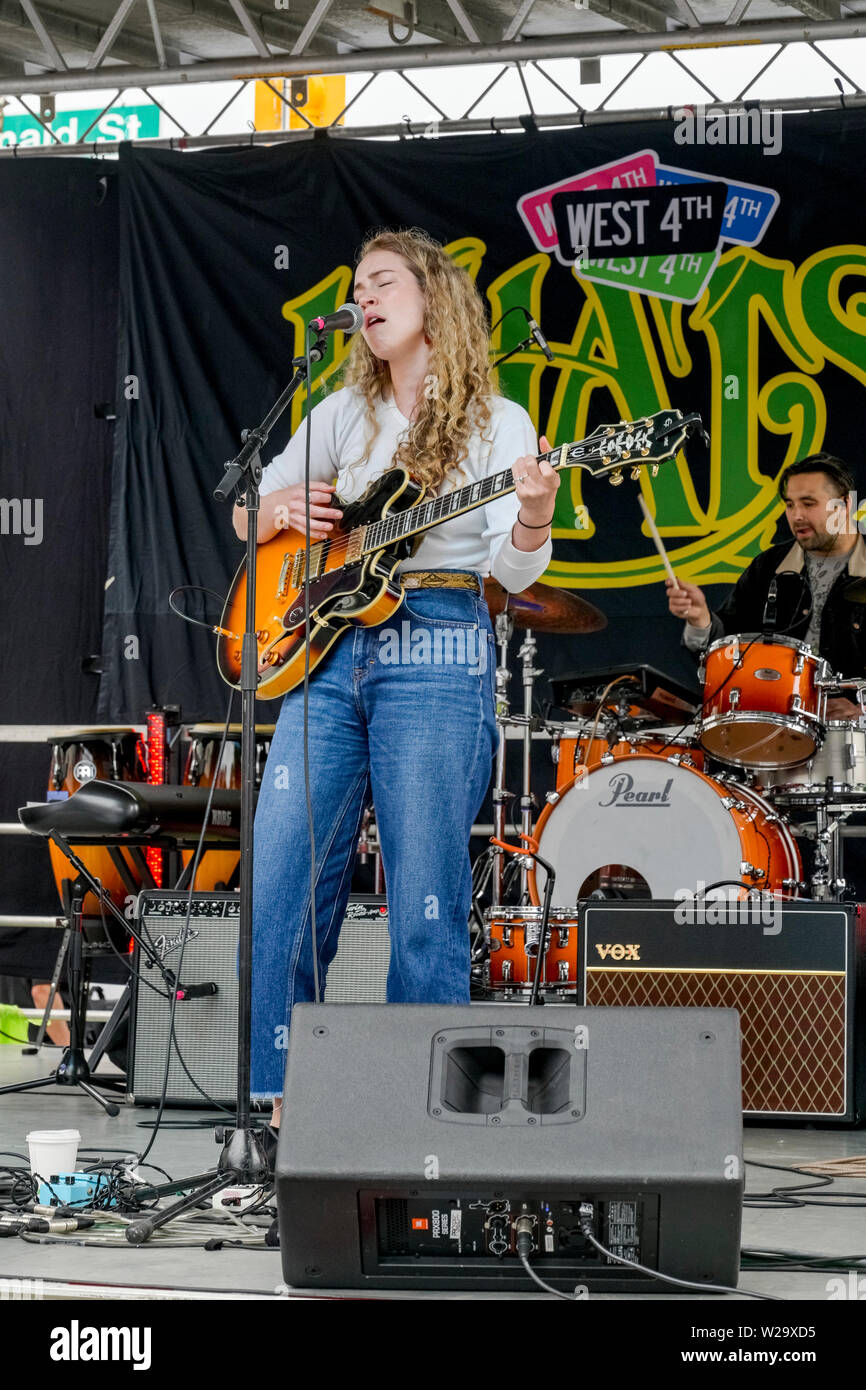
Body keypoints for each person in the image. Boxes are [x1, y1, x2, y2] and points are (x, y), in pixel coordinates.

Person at [234, 228, 559, 1137]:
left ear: (433, 298)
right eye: (356, 287)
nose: (365, 298)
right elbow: (246, 510)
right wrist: (271, 512)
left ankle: (431, 1122)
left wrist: (533, 515)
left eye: (381, 282)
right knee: (284, 880)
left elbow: (517, 572)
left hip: (440, 639)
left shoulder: (499, 425)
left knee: (424, 895)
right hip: (326, 652)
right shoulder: (342, 413)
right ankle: (277, 1110)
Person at [667, 453, 866, 718]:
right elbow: (728, 651)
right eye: (790, 504)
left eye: (808, 504)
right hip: (773, 728)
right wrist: (701, 620)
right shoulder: (769, 566)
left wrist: (862, 710)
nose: (796, 516)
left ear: (844, 504)